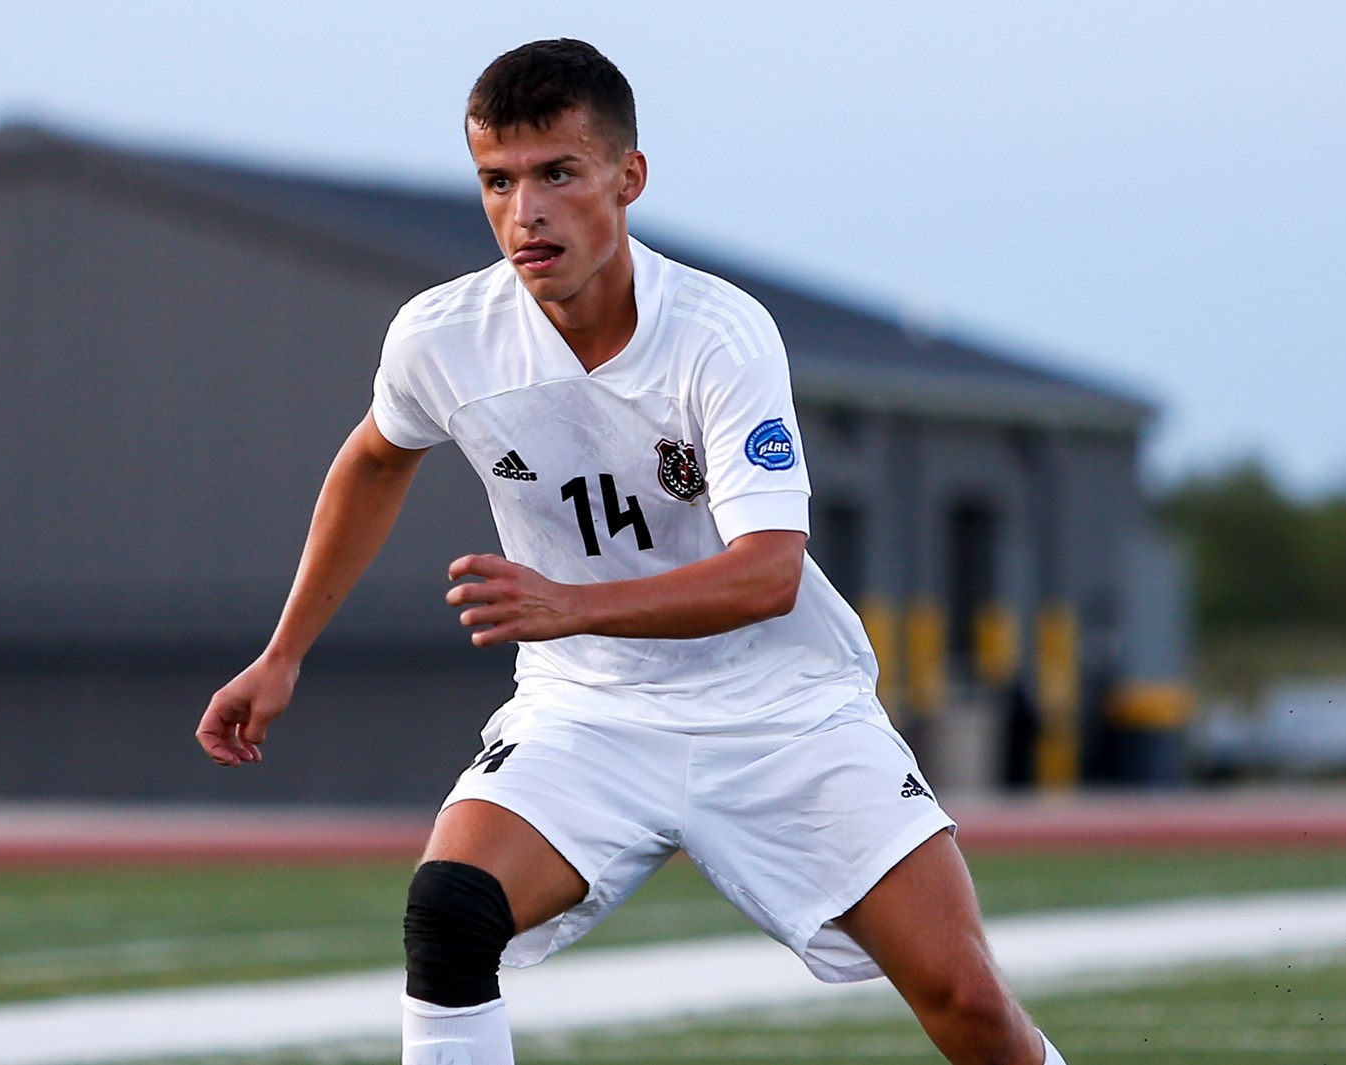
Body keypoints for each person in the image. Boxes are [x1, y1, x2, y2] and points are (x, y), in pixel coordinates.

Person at [198, 38, 1068, 1065]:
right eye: (497, 180)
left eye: (557, 173)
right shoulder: (440, 337)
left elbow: (767, 573)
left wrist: (569, 606)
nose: (526, 210)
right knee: (448, 916)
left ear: (627, 178)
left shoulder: (717, 335)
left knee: (964, 999)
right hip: (588, 710)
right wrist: (285, 652)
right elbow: (375, 461)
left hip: (779, 706)